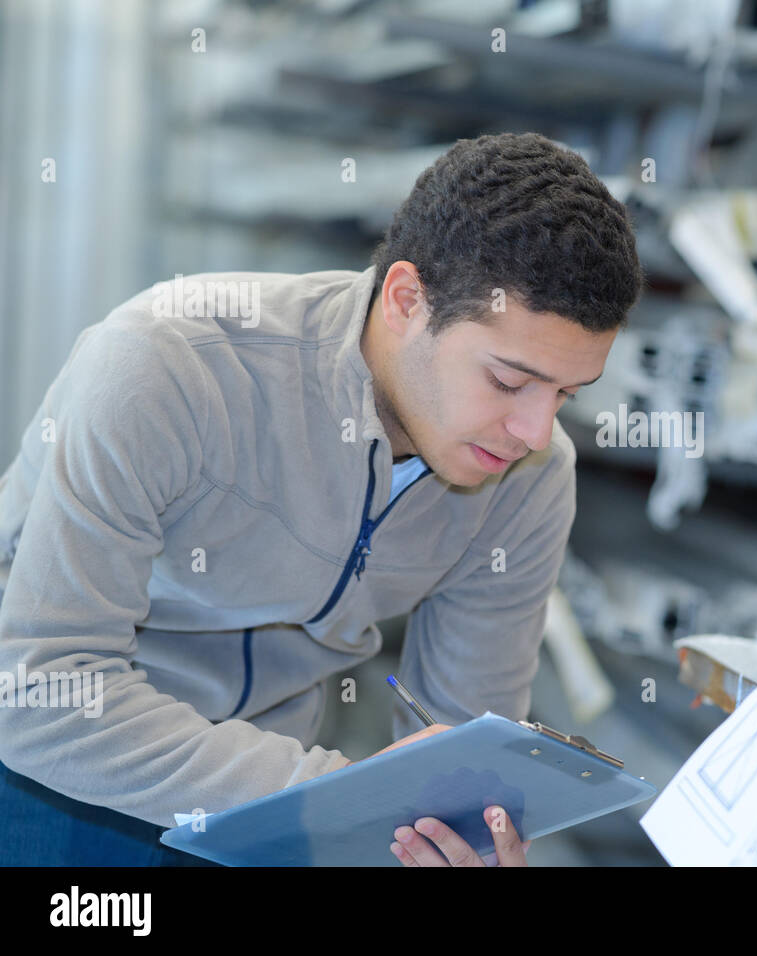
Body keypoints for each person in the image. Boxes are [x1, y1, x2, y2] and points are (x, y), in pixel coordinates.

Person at [0, 131, 643, 866]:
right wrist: (332, 793)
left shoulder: (529, 478)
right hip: (51, 773)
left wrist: (461, 837)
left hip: (256, 809)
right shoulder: (166, 367)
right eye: (508, 381)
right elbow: (40, 695)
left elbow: (465, 752)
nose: (535, 432)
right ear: (406, 300)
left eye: (566, 395)